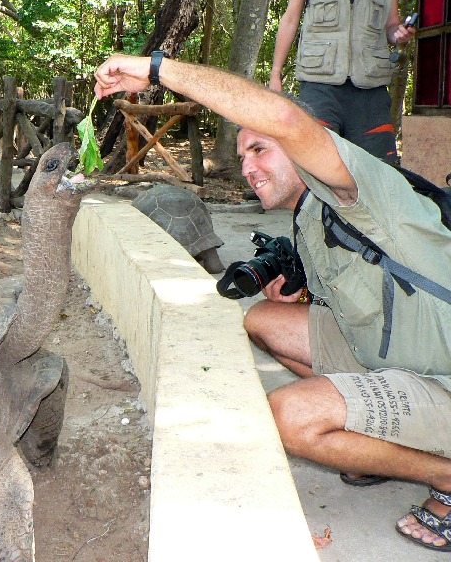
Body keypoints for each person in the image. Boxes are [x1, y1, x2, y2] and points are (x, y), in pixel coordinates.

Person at [94, 53, 451, 552]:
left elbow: (283, 116)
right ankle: (382, 447)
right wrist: (304, 295)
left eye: (259, 149)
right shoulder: (309, 218)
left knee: (289, 417)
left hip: (444, 380)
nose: (248, 168)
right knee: (264, 319)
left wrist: (155, 70)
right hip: (405, 362)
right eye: (242, 157)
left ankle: (446, 475)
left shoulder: (362, 191)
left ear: (302, 148)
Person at [269, 0, 415, 166]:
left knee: (379, 170)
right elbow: (291, 17)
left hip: (371, 90)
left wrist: (399, 34)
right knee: (315, 168)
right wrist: (275, 74)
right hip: (319, 86)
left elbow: (391, 24)